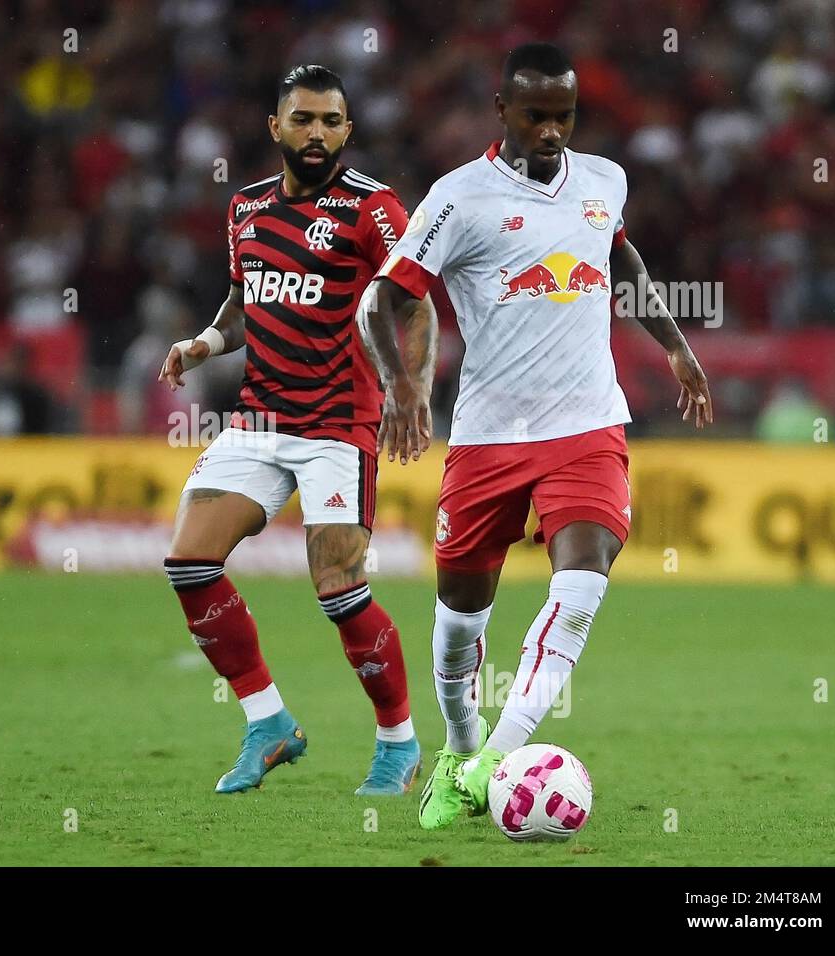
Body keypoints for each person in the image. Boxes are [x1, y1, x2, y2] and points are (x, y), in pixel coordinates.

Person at [358, 43, 713, 830]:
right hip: (488, 438)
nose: (552, 131)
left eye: (565, 115)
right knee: (459, 627)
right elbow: (381, 300)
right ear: (503, 111)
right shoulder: (459, 199)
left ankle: (496, 757)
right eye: (536, 116)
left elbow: (621, 259)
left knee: (583, 578)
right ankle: (460, 744)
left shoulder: (604, 181)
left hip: (587, 425)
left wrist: (675, 344)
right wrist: (404, 384)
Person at [158, 65, 439, 796]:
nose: (317, 133)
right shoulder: (245, 208)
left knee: (339, 589)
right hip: (259, 417)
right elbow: (243, 303)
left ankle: (398, 743)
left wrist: (411, 390)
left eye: (331, 122)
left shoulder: (373, 209)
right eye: (304, 119)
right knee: (190, 560)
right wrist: (203, 344)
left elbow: (414, 303)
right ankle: (269, 722)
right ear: (275, 128)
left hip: (338, 425)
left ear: (349, 130)